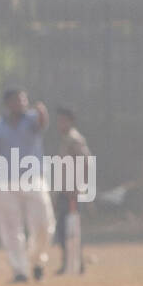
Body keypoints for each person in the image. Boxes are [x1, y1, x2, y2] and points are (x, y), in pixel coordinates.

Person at [0, 87, 54, 282]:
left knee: (44, 223)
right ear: (8, 103)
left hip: (33, 178)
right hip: (7, 181)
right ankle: (19, 270)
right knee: (10, 229)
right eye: (17, 100)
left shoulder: (32, 119)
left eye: (24, 100)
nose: (22, 103)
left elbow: (42, 124)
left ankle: (37, 261)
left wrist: (43, 114)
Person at [54, 107, 90, 275]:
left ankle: (76, 264)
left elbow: (85, 163)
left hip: (72, 193)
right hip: (64, 191)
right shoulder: (65, 139)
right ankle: (69, 263)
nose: (60, 123)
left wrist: (78, 187)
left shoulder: (75, 139)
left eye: (63, 120)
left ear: (71, 121)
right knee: (63, 229)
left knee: (72, 229)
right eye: (59, 120)